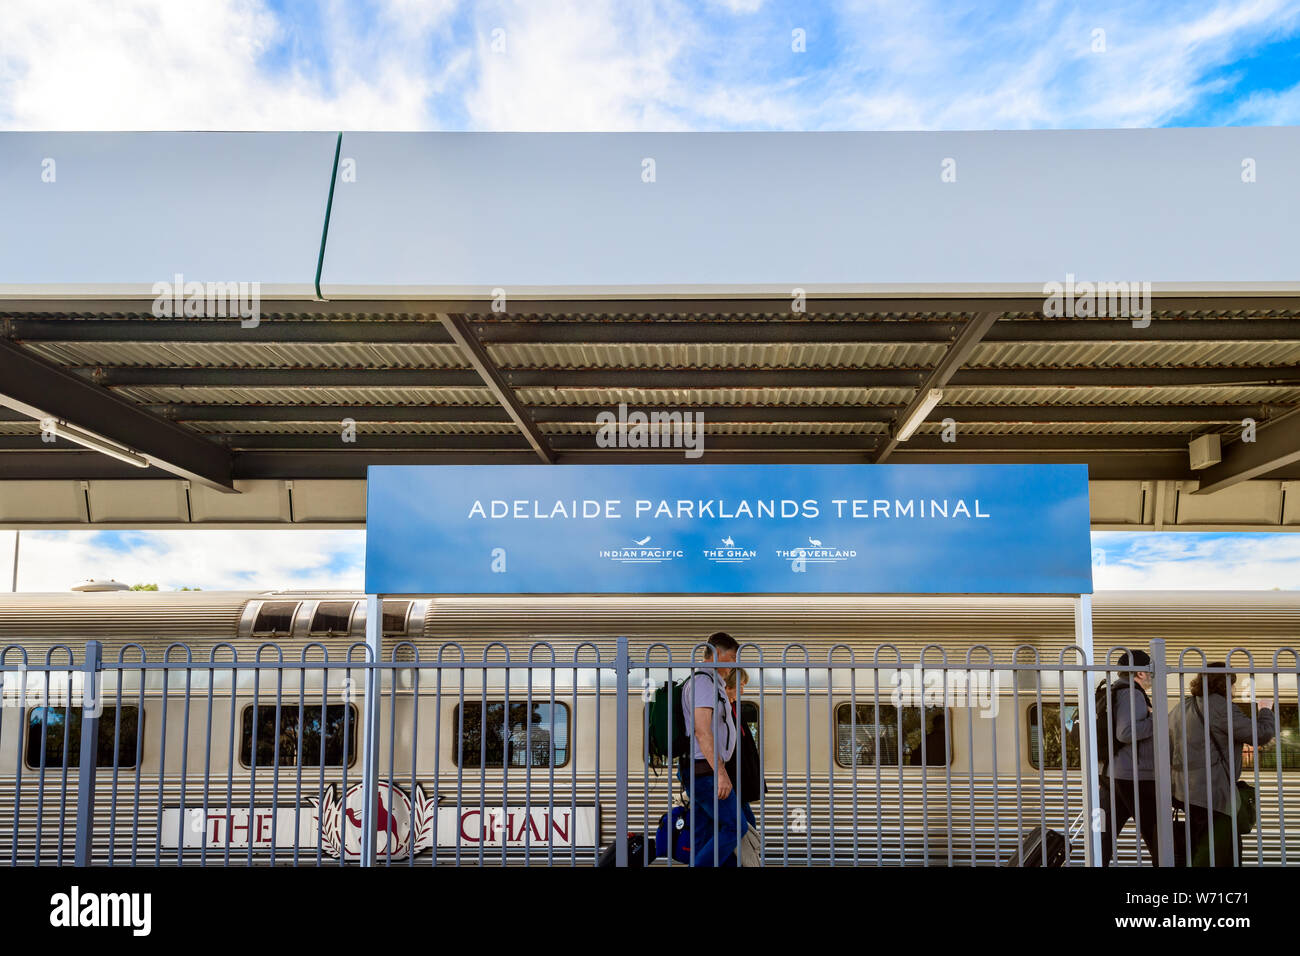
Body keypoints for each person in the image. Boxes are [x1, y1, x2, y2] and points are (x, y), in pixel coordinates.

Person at [1169, 663, 1276, 867]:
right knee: (1219, 853)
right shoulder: (1219, 707)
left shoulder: (1182, 706)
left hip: (1184, 792)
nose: (1235, 690)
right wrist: (1264, 710)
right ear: (1224, 684)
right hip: (1214, 795)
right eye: (1233, 684)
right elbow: (1261, 734)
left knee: (1203, 847)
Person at [1098, 650, 1170, 866]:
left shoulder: (1115, 691)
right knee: (1157, 835)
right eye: (1150, 672)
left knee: (1104, 836)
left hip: (1115, 773)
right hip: (1136, 776)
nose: (1152, 677)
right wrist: (1157, 719)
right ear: (1140, 672)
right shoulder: (1132, 694)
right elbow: (1126, 732)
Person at [679, 631, 742, 867]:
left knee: (705, 833)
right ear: (717, 654)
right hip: (705, 771)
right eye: (733, 657)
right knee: (737, 827)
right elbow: (702, 731)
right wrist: (721, 773)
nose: (735, 664)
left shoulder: (711, 683)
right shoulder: (703, 682)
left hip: (705, 770)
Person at [724, 667, 765, 866]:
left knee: (748, 825)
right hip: (730, 781)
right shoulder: (725, 711)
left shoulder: (734, 709)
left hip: (738, 781)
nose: (743, 689)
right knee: (742, 827)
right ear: (729, 685)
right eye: (740, 685)